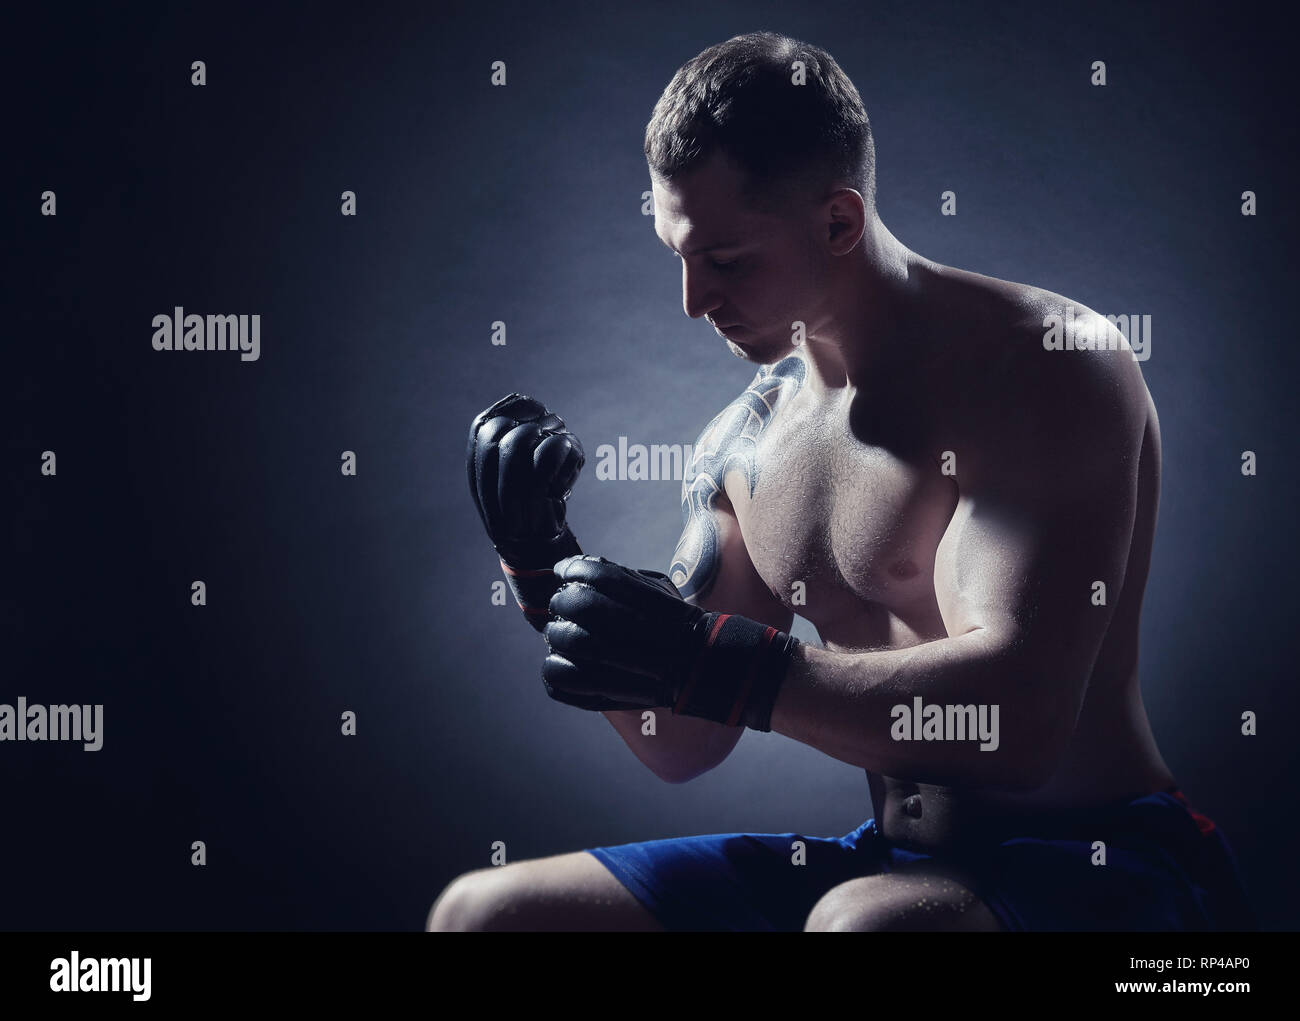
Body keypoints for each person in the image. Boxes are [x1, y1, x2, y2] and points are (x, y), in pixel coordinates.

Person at [431, 31, 1255, 931]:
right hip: (900, 866)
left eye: (726, 260)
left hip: (1111, 869)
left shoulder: (1046, 366)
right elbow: (685, 742)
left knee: (862, 926)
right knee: (488, 912)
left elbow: (1019, 724)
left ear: (837, 221)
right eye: (677, 251)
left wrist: (717, 662)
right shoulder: (744, 442)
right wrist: (543, 572)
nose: (690, 300)